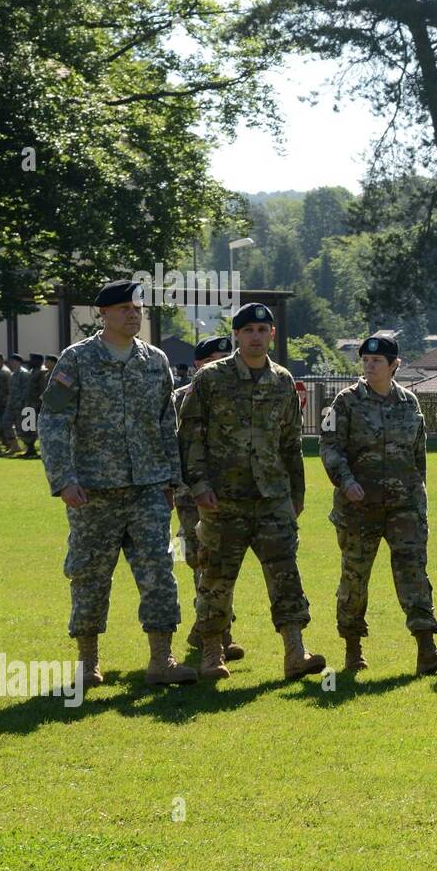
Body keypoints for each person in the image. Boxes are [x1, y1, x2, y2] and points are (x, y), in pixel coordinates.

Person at [38, 280, 195, 687]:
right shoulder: (77, 360)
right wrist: (64, 480)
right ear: (103, 314)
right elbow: (53, 421)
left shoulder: (155, 361)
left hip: (148, 489)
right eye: (124, 308)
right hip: (94, 492)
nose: (133, 314)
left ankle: (162, 660)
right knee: (89, 576)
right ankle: (88, 663)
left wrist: (172, 482)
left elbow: (166, 424)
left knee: (160, 573)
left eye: (137, 308)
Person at [178, 302, 325, 682]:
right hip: (223, 497)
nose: (256, 337)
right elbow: (190, 435)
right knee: (216, 576)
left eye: (263, 331)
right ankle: (212, 651)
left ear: (271, 335)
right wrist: (199, 485)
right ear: (237, 337)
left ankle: (295, 650)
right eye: (248, 331)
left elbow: (292, 442)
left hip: (272, 496)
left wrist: (297, 493)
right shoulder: (211, 379)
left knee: (285, 573)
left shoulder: (282, 382)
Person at [321, 334, 437, 675]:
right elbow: (330, 447)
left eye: (377, 361)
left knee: (413, 572)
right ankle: (353, 649)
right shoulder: (345, 402)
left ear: (394, 365)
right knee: (355, 577)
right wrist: (346, 481)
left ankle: (427, 648)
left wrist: (419, 499)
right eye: (365, 360)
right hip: (358, 508)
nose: (369, 365)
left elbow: (418, 456)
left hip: (404, 507)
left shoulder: (410, 403)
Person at [173, 336, 241, 661]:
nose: (223, 363)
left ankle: (211, 629)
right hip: (190, 497)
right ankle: (217, 633)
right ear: (198, 363)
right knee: (200, 559)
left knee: (225, 561)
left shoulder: (237, 397)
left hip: (229, 493)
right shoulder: (178, 400)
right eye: (215, 358)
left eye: (227, 358)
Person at [2, 354, 30, 454]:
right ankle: (15, 446)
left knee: (21, 428)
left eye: (12, 361)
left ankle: (28, 448)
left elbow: (26, 391)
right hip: (11, 405)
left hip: (20, 405)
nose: (10, 363)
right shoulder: (13, 374)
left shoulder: (24, 373)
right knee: (6, 423)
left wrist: (21, 403)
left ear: (18, 361)